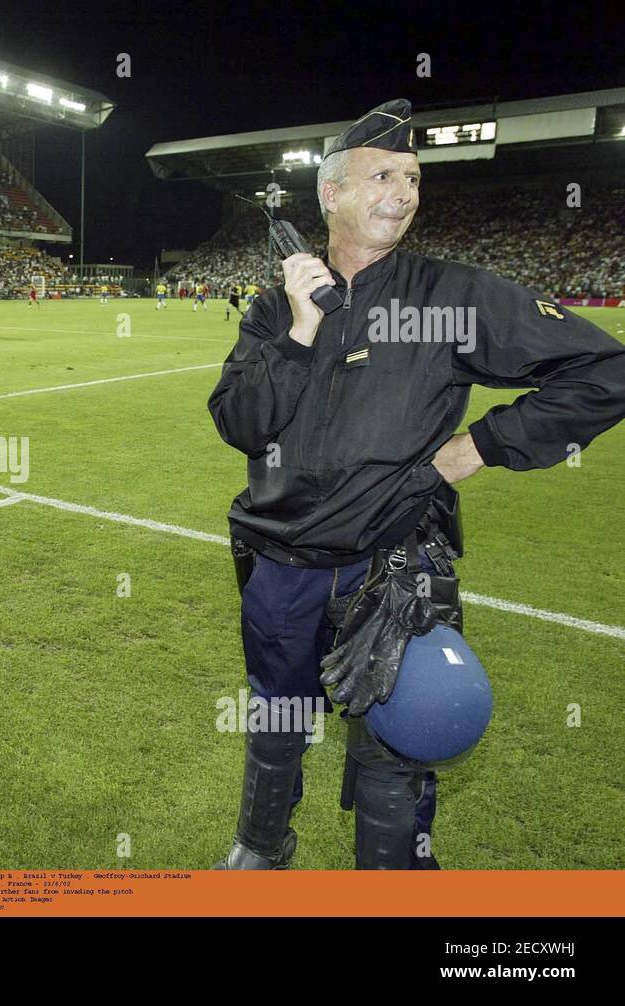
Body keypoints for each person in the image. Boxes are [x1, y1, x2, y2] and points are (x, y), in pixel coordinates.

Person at [207, 98, 625, 870]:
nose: (402, 193)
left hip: (392, 569)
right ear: (331, 194)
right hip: (279, 567)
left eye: (413, 178)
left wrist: (480, 446)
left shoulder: (450, 297)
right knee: (275, 721)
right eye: (382, 176)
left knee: (394, 753)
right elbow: (239, 422)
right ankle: (261, 848)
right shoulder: (273, 308)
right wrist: (300, 332)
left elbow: (605, 370)